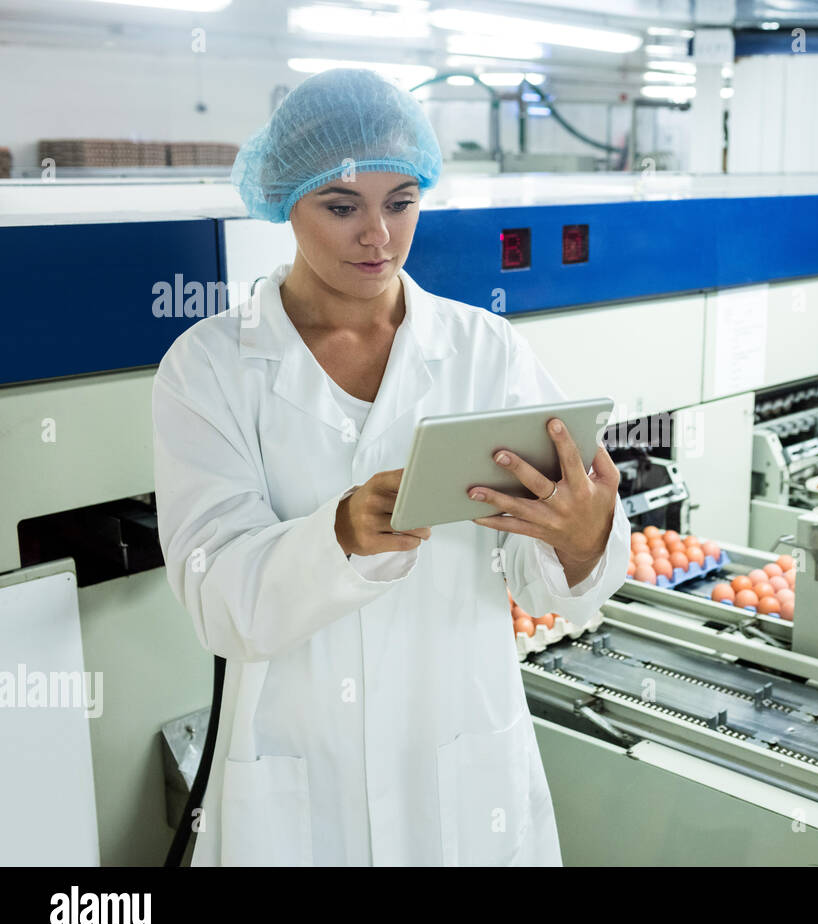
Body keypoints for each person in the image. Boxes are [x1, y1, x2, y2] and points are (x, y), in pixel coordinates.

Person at [152, 68, 632, 866]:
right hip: (300, 782)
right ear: (286, 200)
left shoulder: (485, 349)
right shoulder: (210, 368)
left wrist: (580, 538)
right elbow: (218, 601)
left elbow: (541, 575)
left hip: (461, 768)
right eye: (342, 207)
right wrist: (337, 537)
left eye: (401, 202)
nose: (377, 234)